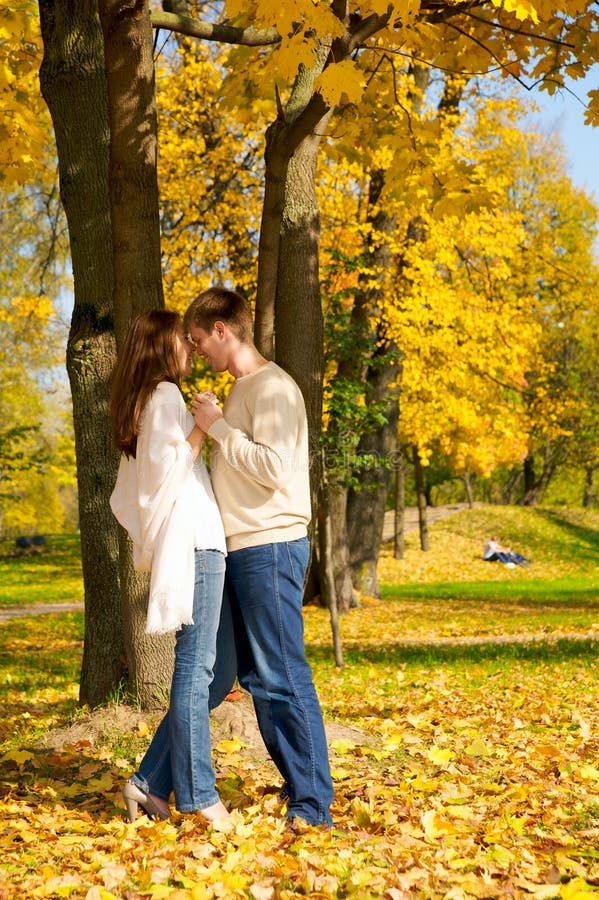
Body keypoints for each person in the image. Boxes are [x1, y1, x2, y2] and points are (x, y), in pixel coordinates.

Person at [184, 287, 334, 829]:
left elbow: (273, 468)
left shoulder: (272, 387)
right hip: (244, 547)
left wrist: (219, 427)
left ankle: (314, 805)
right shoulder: (244, 390)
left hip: (271, 546)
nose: (198, 351)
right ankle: (301, 787)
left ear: (223, 330)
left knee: (281, 673)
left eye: (200, 340)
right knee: (257, 676)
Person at [109, 309, 232, 824]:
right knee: (197, 667)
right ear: (162, 346)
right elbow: (163, 478)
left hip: (200, 543)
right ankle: (201, 795)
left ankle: (149, 782)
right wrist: (203, 428)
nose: (189, 345)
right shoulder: (162, 397)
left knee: (215, 670)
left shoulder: (152, 399)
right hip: (197, 544)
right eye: (182, 338)